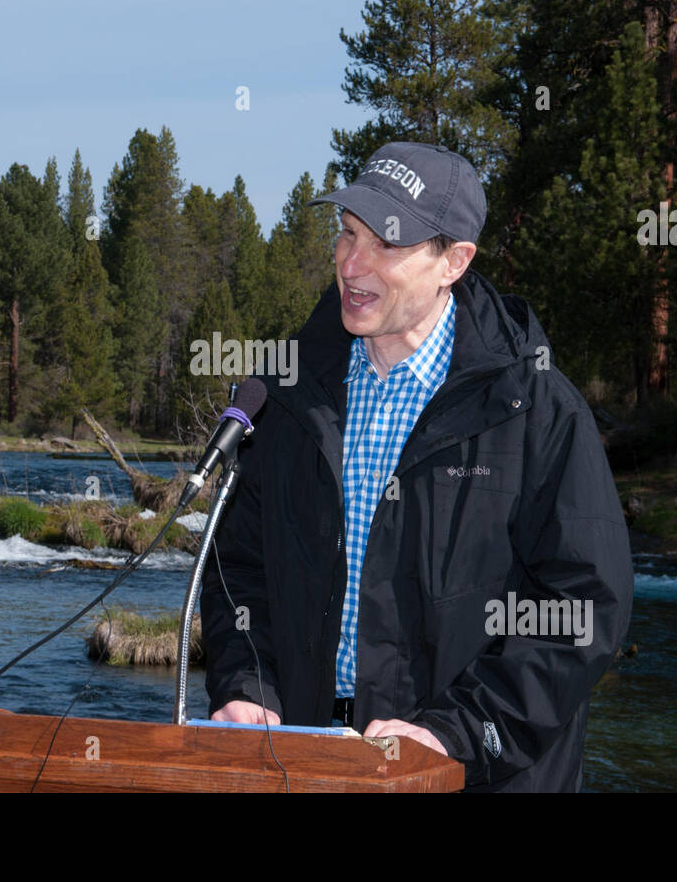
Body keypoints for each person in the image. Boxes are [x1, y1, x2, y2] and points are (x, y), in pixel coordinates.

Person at [200, 141, 634, 792]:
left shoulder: (537, 407)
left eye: (387, 244)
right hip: (309, 767)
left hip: (477, 774)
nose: (352, 262)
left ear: (453, 262)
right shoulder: (288, 392)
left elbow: (582, 608)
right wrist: (246, 683)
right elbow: (238, 566)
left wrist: (453, 733)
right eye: (348, 234)